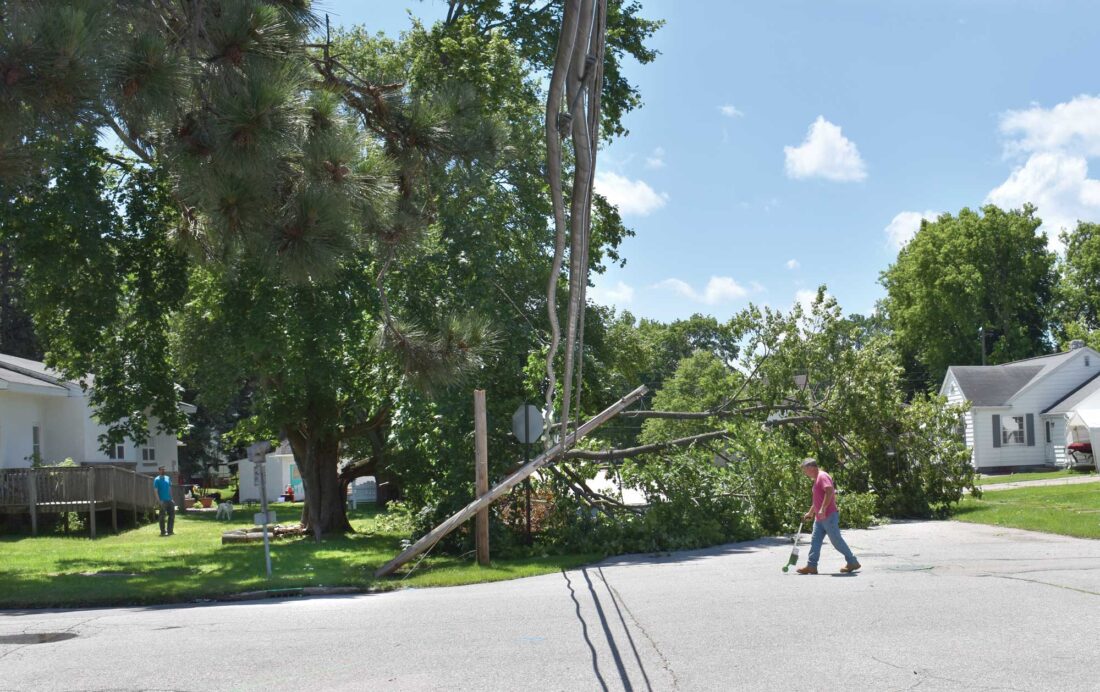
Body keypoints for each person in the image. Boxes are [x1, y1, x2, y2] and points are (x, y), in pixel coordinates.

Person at [796, 458, 860, 575]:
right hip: (819, 518)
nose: (805, 473)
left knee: (836, 541)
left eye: (805, 470)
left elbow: (830, 491)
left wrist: (823, 508)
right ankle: (811, 566)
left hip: (829, 515)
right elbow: (817, 500)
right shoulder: (816, 479)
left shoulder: (822, 476)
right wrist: (811, 512)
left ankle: (852, 561)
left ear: (811, 467)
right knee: (815, 542)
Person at [153, 466, 175, 536]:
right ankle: (163, 531)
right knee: (162, 517)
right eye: (162, 470)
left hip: (169, 500)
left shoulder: (167, 478)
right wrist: (159, 501)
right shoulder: (156, 480)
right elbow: (155, 491)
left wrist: (172, 499)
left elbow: (169, 489)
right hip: (162, 501)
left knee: (172, 515)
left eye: (164, 470)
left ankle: (170, 531)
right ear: (159, 471)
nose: (163, 471)